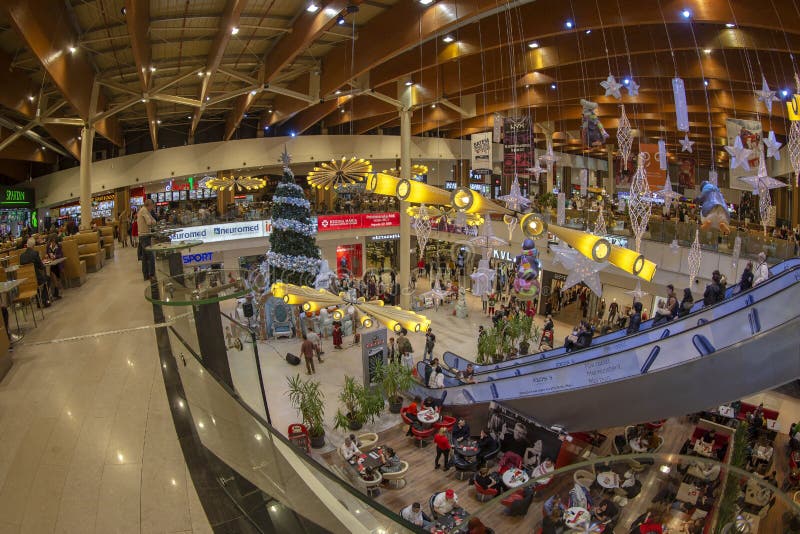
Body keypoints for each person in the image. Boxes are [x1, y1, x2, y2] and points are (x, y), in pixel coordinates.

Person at [20, 237, 51, 307]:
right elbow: (41, 267)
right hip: (37, 279)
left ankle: (38, 301)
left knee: (38, 281)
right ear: (33, 246)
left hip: (26, 281)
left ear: (27, 245)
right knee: (47, 278)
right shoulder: (35, 253)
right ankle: (44, 299)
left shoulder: (21, 256)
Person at [137, 198, 157, 280]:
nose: (153, 208)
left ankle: (146, 276)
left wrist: (152, 220)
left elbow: (154, 221)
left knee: (145, 257)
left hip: (143, 236)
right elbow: (150, 222)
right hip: (144, 236)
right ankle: (152, 275)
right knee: (151, 256)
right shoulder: (144, 211)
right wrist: (152, 221)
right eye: (152, 206)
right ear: (150, 205)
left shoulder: (145, 210)